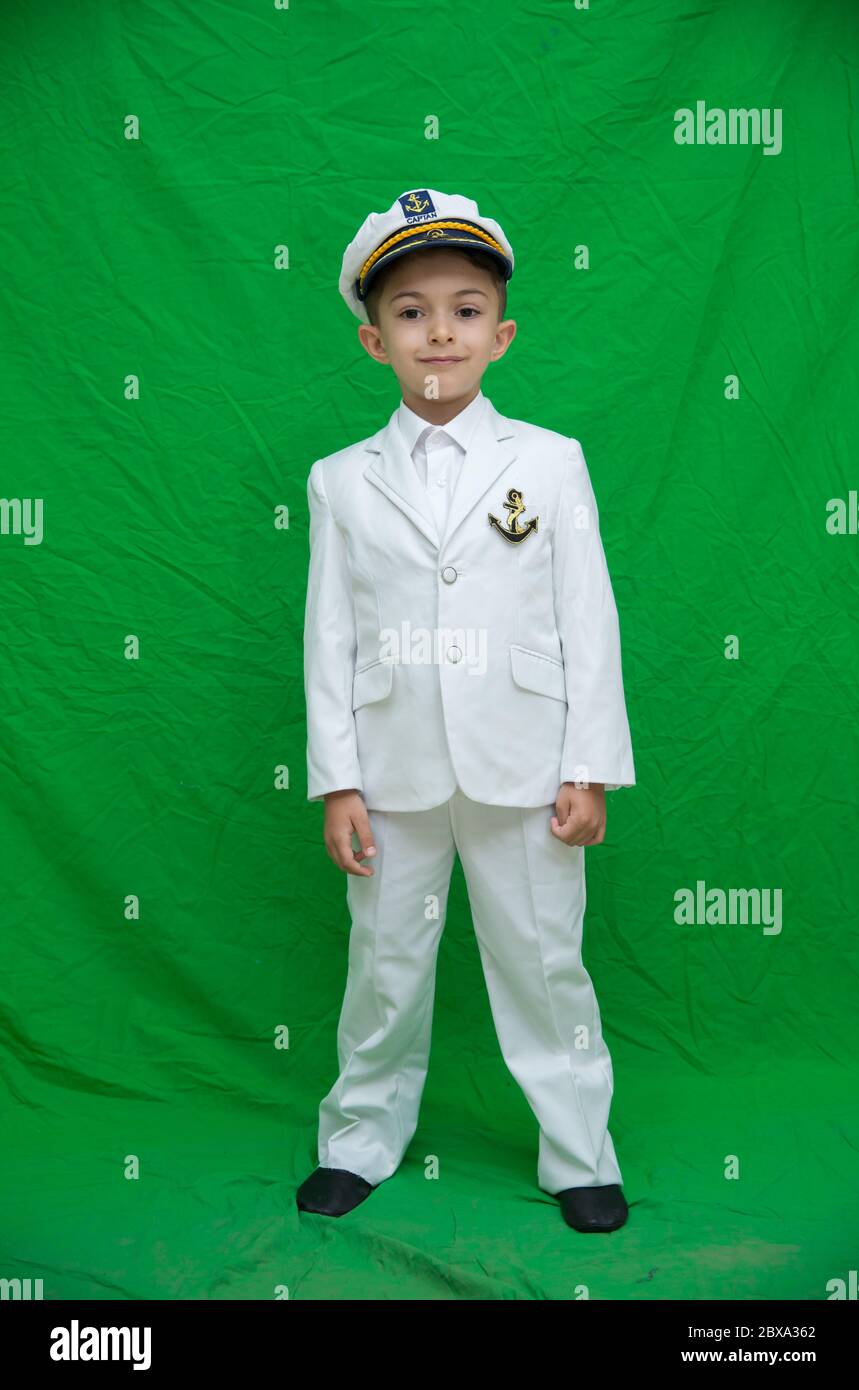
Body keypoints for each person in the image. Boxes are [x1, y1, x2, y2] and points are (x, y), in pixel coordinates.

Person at [296, 188, 636, 1232]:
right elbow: (328, 638)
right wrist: (337, 779)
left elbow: (588, 616)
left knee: (542, 960)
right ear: (371, 339)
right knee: (385, 962)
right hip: (391, 768)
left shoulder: (548, 461)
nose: (437, 331)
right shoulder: (340, 481)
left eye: (462, 308)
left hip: (526, 763)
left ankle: (578, 1151)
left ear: (501, 333)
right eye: (408, 311)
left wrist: (588, 765)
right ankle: (359, 1134)